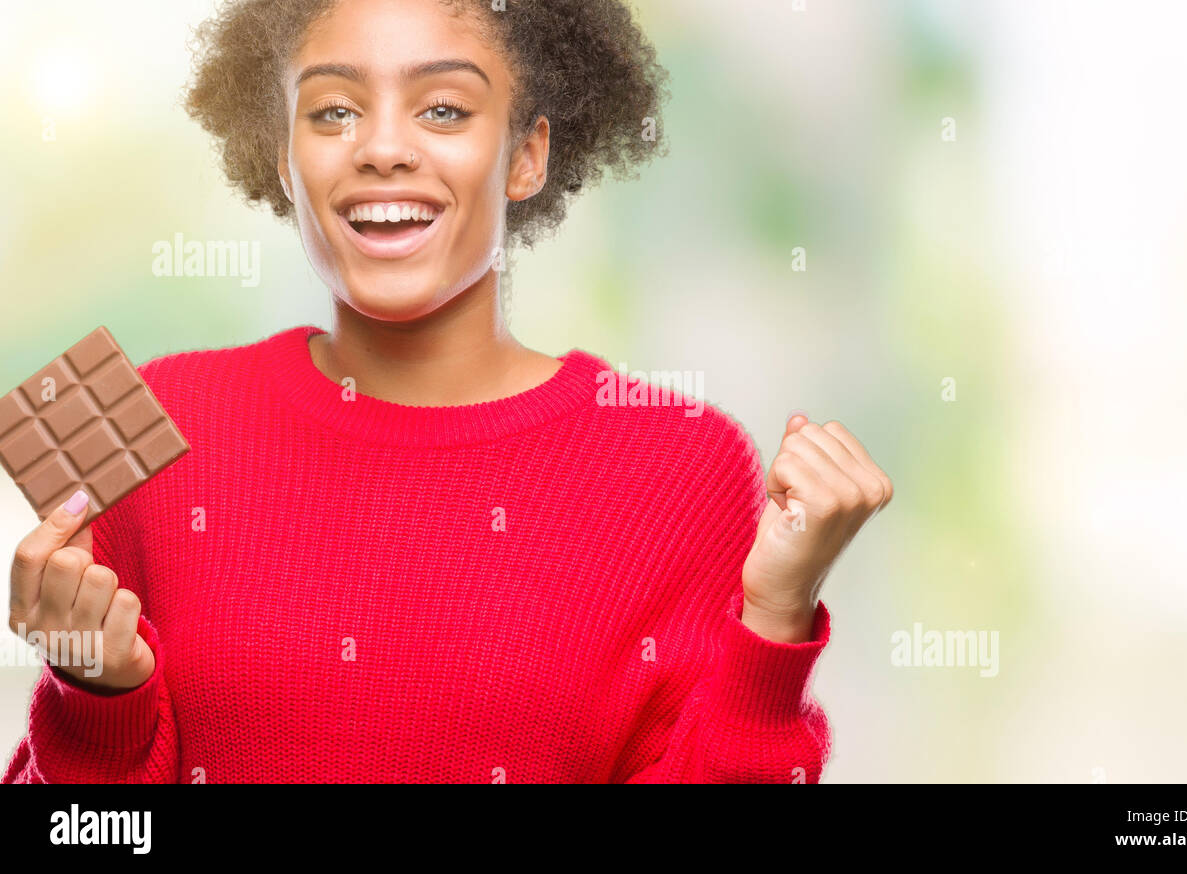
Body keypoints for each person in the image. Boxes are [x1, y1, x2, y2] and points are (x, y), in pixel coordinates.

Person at [4, 0, 891, 783]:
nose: (383, 148)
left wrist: (774, 616)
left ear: (526, 155)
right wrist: (95, 698)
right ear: (283, 156)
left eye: (443, 108)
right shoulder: (156, 428)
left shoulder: (679, 466)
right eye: (334, 111)